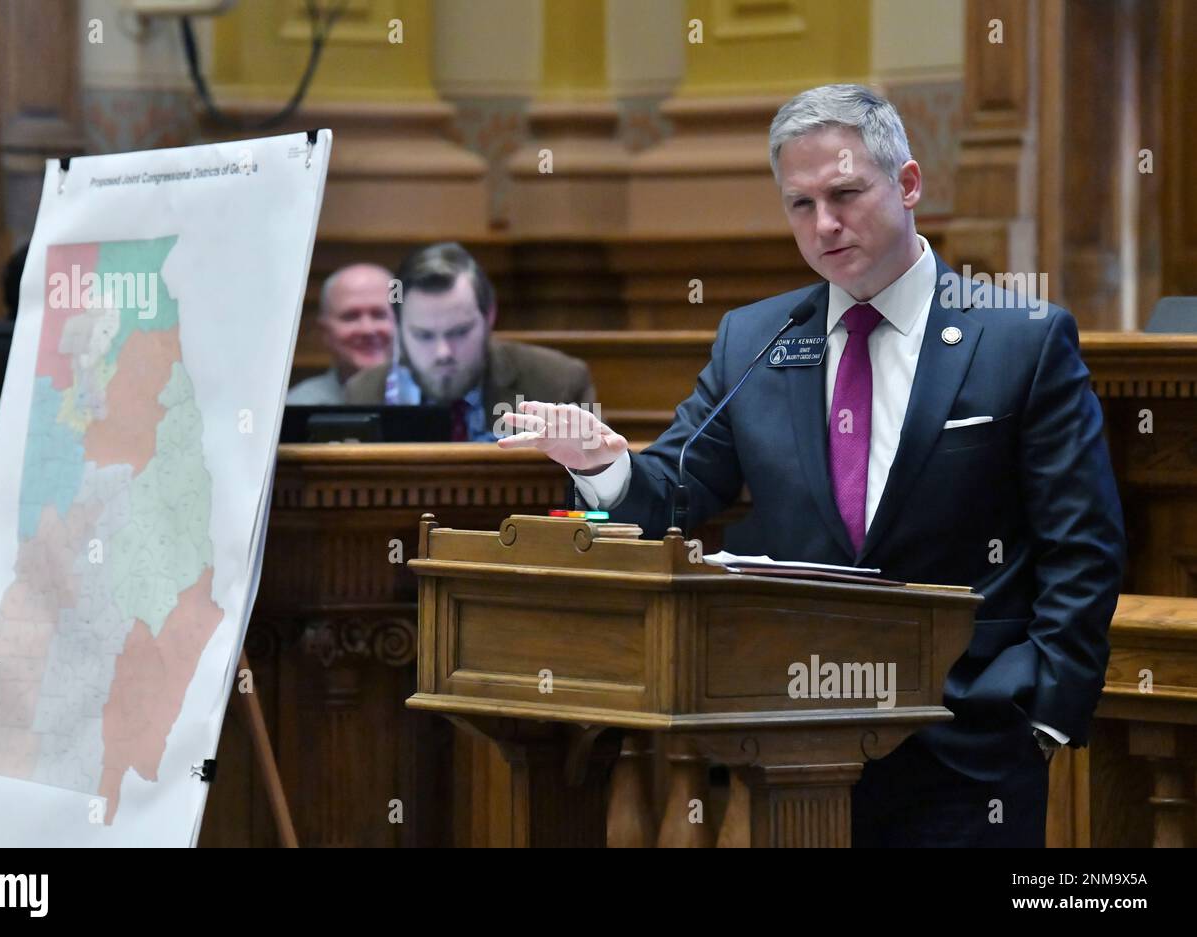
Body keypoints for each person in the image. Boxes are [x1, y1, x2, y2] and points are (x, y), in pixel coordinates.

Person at [499, 84, 1126, 847]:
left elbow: (1083, 545)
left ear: (908, 183)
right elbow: (675, 493)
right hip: (796, 740)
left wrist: (1044, 714)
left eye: (845, 193)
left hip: (971, 743)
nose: (825, 224)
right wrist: (603, 463)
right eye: (800, 204)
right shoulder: (755, 339)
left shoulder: (1020, 337)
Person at [344, 242, 595, 442]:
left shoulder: (558, 384)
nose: (443, 352)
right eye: (424, 335)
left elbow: (592, 492)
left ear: (490, 316)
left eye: (459, 332)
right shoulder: (365, 393)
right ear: (398, 327)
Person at [287, 263, 396, 405]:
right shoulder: (295, 408)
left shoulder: (433, 400)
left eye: (379, 315)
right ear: (325, 331)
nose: (367, 329)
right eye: (350, 317)